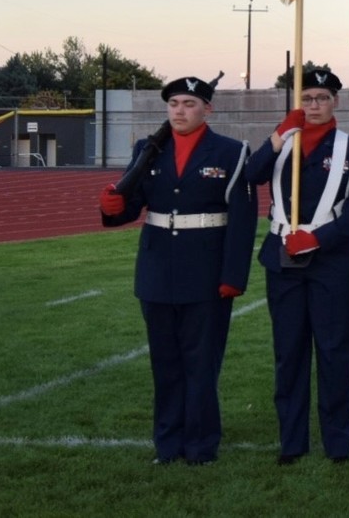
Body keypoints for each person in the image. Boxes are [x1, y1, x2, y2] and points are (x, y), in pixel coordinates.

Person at [99, 75, 258, 466]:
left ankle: (201, 446)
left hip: (205, 271)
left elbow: (242, 220)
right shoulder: (148, 149)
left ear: (208, 108)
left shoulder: (231, 152)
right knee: (165, 365)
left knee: (201, 365)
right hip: (157, 269)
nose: (180, 111)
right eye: (174, 104)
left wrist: (233, 277)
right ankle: (167, 445)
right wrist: (112, 207)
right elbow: (133, 204)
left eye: (189, 104)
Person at [245, 67, 349, 465]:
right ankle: (292, 441)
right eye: (307, 99)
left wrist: (319, 238)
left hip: (332, 260)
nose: (314, 106)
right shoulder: (283, 141)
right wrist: (280, 134)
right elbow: (252, 175)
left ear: (336, 101)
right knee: (289, 353)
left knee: (334, 351)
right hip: (284, 259)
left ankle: (337, 443)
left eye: (322, 98)